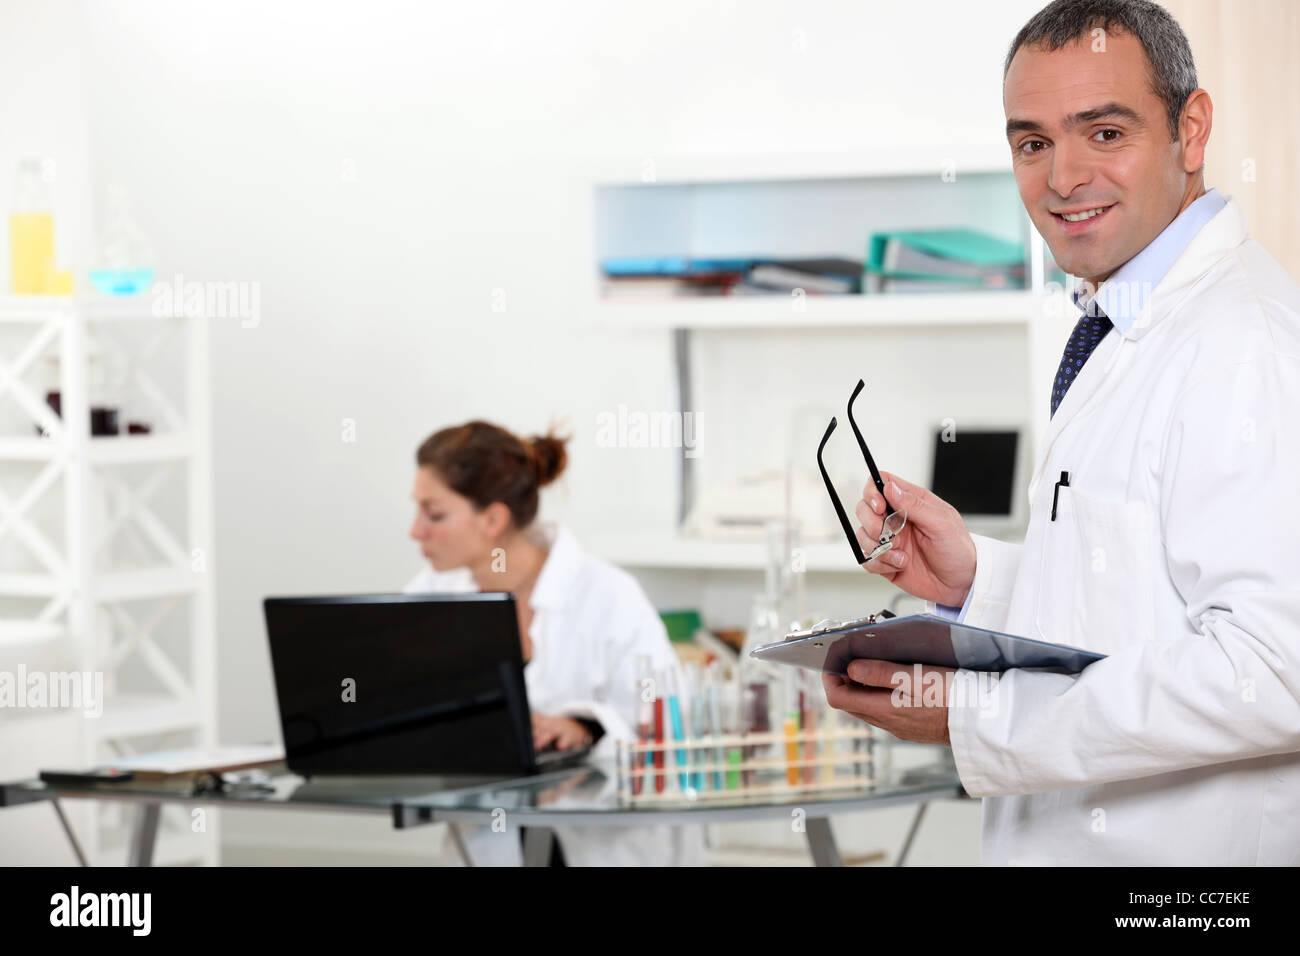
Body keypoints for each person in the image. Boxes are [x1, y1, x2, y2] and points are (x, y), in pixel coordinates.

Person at [824, 0, 1300, 865]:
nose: (1063, 177)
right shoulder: (1120, 322)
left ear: (1190, 132)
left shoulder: (1245, 346)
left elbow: (1276, 671)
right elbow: (1142, 598)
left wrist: (977, 713)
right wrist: (982, 582)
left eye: (1105, 133)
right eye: (1032, 143)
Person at [405, 419, 702, 866]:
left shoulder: (608, 595)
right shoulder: (429, 597)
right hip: (490, 844)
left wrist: (584, 727)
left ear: (493, 518)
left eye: (434, 514)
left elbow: (669, 724)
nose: (416, 531)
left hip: (612, 847)